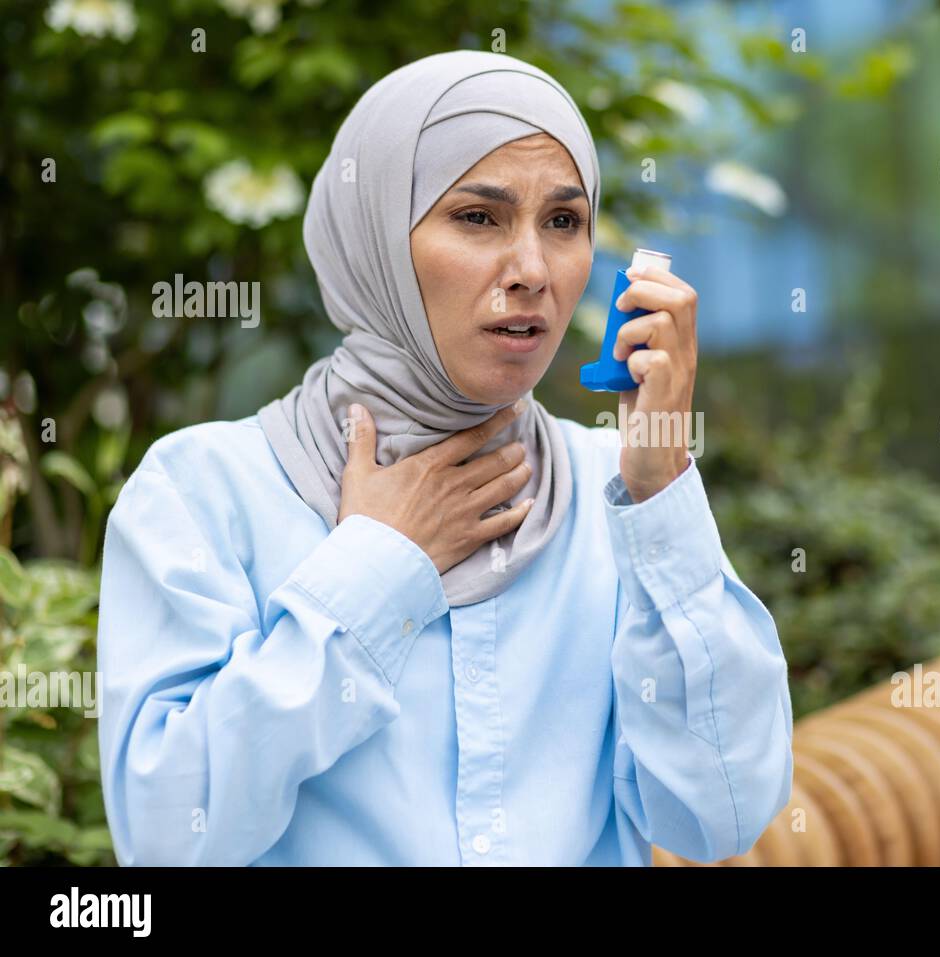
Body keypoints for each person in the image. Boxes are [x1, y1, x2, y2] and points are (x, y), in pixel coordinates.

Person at [96, 50, 793, 866]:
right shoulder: (203, 492)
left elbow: (722, 812)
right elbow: (165, 834)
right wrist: (376, 568)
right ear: (377, 240)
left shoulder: (624, 491)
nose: (531, 271)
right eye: (478, 217)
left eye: (563, 223)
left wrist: (663, 495)